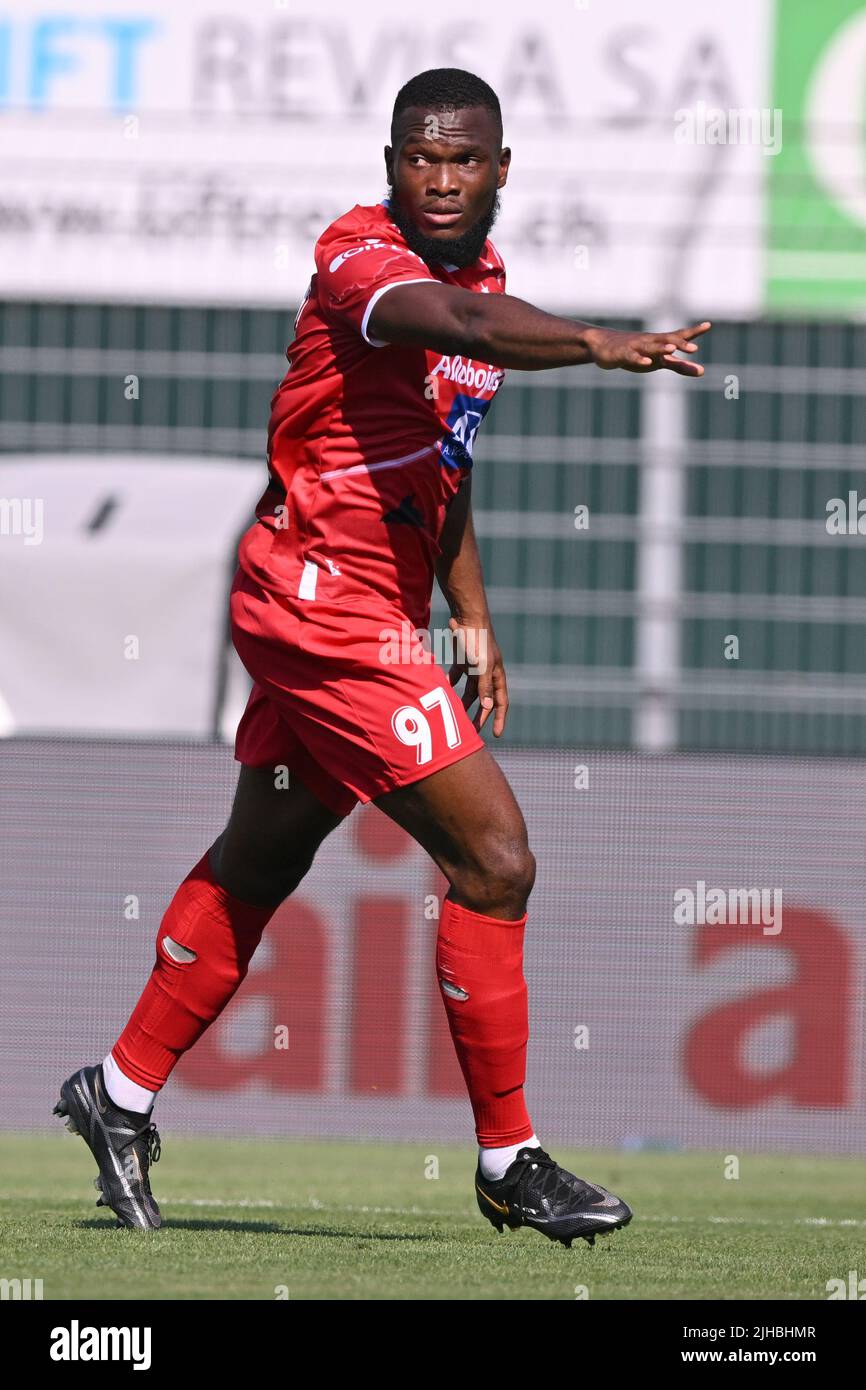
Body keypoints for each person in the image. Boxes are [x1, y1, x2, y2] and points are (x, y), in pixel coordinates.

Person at [55, 66, 709, 1248]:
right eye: (420, 157)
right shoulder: (359, 261)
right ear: (389, 165)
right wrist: (600, 343)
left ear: (502, 169)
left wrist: (468, 612)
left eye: (464, 160)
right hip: (320, 607)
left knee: (263, 855)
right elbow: (450, 325)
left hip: (368, 607)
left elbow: (439, 466)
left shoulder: (487, 276)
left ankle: (117, 1091)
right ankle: (508, 1160)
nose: (441, 180)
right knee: (497, 858)